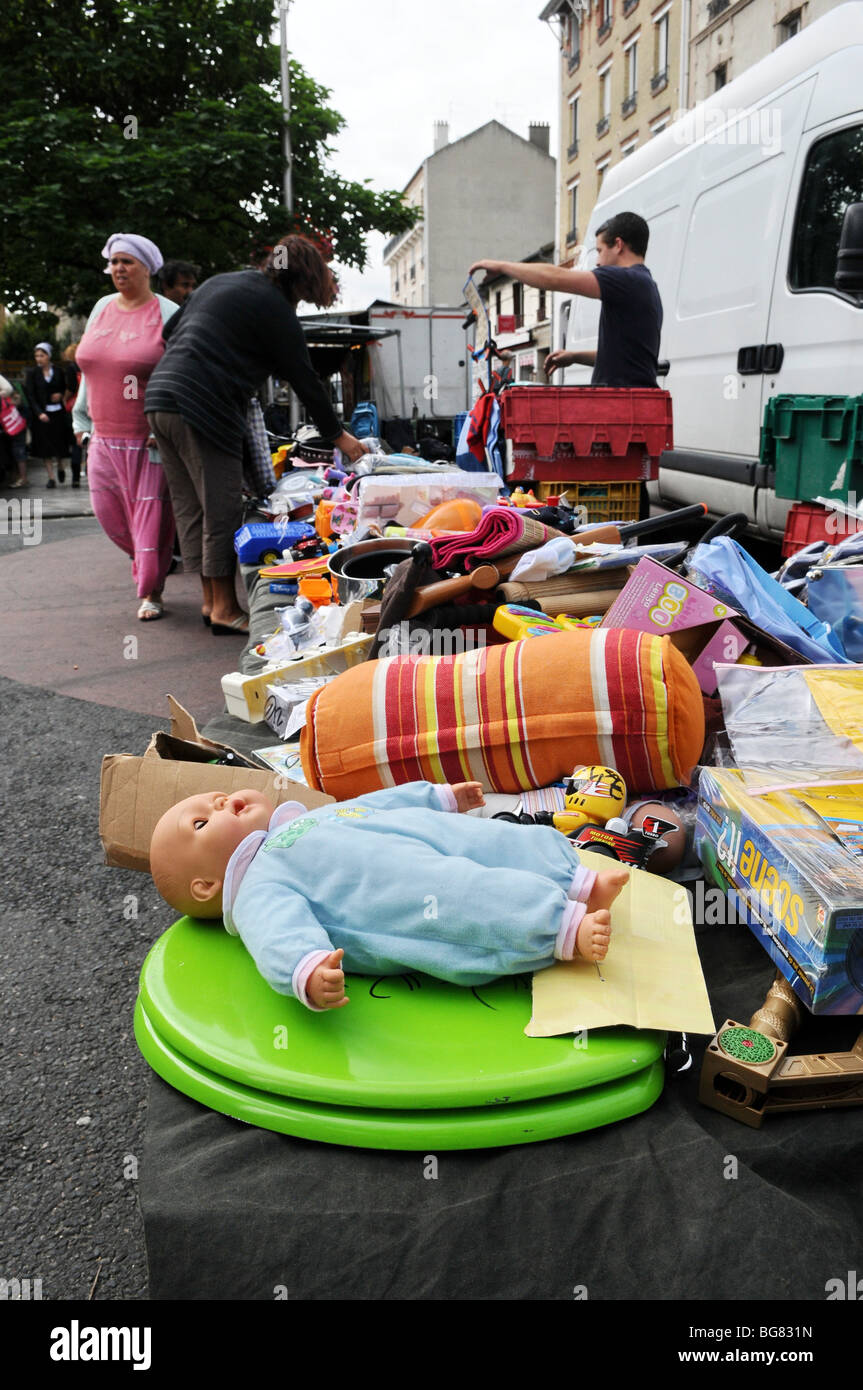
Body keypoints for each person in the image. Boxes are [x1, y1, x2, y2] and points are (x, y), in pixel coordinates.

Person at [149, 780, 628, 1012]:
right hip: (403, 895)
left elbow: (366, 805)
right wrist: (307, 969)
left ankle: (577, 882)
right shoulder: (257, 887)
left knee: (485, 842)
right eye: (200, 821)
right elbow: (277, 932)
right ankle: (564, 930)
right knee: (465, 897)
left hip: (416, 834)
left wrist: (433, 799)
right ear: (207, 886)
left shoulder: (298, 822)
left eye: (211, 796)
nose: (216, 802)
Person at [146, 234, 369, 635]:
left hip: (161, 396)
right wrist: (342, 439)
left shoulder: (222, 281)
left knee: (192, 508)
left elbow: (169, 330)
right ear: (303, 279)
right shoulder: (276, 308)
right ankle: (226, 609)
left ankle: (211, 601)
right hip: (204, 404)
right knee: (222, 507)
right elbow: (305, 379)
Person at [72, 233, 179, 621]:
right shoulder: (101, 307)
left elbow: (180, 372)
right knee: (110, 514)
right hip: (102, 436)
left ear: (147, 267)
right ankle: (148, 564)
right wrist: (80, 418)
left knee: (150, 520)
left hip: (148, 440)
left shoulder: (168, 313)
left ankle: (153, 590)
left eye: (127, 261)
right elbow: (90, 366)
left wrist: (166, 418)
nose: (118, 268)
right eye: (114, 261)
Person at [470, 211, 662, 389]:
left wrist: (501, 266)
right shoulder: (647, 286)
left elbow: (554, 278)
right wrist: (574, 356)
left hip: (625, 410)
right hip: (636, 404)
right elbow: (625, 358)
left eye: (600, 250)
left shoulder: (626, 280)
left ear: (618, 245)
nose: (597, 262)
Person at [25, 343, 69, 487]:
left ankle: (61, 466)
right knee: (45, 447)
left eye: (42, 355)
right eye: (36, 356)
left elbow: (64, 387)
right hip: (43, 415)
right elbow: (30, 395)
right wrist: (39, 413)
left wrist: (60, 394)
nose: (39, 359)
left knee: (59, 443)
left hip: (58, 412)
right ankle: (51, 477)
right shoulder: (32, 374)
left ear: (48, 356)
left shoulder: (58, 371)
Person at [61, 343, 84, 488]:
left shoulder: (71, 368)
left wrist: (64, 399)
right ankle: (86, 470)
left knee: (75, 441)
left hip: (73, 407)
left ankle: (75, 475)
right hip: (88, 406)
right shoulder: (86, 366)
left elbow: (71, 387)